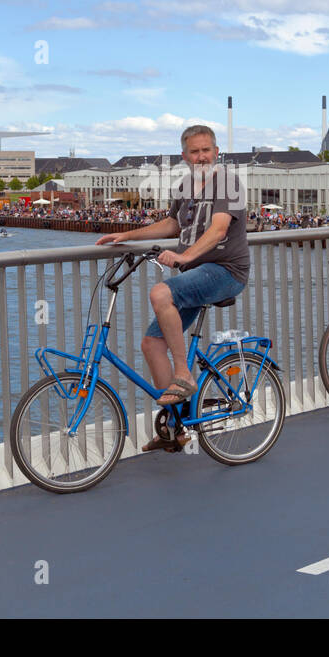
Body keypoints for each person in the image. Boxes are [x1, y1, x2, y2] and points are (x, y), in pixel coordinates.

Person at [96, 125, 249, 451]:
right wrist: (127, 236)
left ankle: (184, 374)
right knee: (151, 344)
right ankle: (177, 427)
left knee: (160, 293)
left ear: (216, 152)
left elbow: (220, 229)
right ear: (185, 156)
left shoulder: (228, 183)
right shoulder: (185, 186)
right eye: (195, 152)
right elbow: (172, 224)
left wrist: (183, 257)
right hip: (196, 274)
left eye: (206, 150)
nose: (201, 156)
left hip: (225, 271)